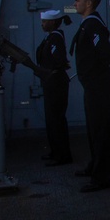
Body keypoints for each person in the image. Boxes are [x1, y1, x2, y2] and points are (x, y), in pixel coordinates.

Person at [70, 0, 110, 192]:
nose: (75, 3)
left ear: (89, 3)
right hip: (92, 84)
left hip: (98, 84)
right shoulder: (87, 24)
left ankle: (102, 177)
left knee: (100, 129)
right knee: (93, 128)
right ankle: (94, 166)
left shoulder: (93, 25)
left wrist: (94, 71)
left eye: (78, 0)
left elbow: (107, 52)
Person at [36, 9, 73, 167]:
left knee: (56, 118)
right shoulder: (51, 38)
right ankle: (55, 151)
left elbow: (58, 60)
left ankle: (62, 155)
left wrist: (49, 72)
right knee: (51, 118)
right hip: (51, 81)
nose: (42, 24)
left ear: (52, 22)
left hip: (56, 82)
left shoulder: (55, 39)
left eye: (44, 21)